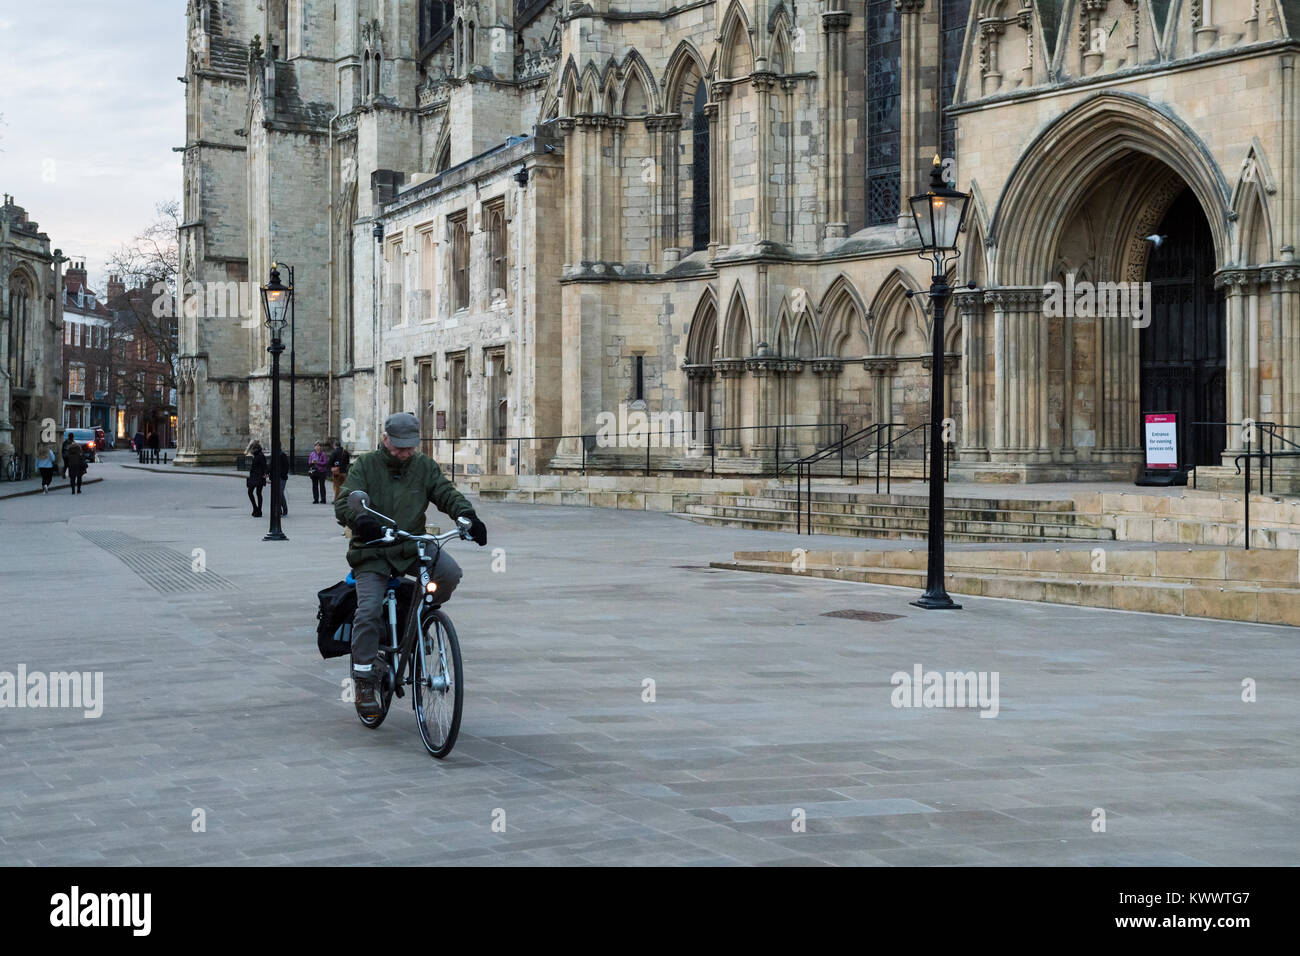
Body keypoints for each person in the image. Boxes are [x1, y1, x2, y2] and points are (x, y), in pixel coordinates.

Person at [335, 412, 488, 717]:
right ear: (385, 439)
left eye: (410, 447)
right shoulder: (366, 465)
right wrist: (362, 520)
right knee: (367, 610)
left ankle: (417, 621)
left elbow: (445, 493)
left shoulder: (423, 466)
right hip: (373, 550)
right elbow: (344, 502)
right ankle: (364, 679)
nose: (404, 452)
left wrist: (468, 516)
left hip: (411, 545)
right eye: (399, 447)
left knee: (449, 572)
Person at [246, 441, 268, 517]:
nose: (251, 451)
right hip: (256, 477)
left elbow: (264, 465)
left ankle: (258, 510)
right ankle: (256, 509)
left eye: (252, 449)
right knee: (254, 493)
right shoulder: (256, 455)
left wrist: (265, 473)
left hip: (258, 477)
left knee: (256, 493)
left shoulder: (260, 455)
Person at [277, 448, 290, 515]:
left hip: (282, 477)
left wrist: (283, 474)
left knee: (280, 493)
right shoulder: (275, 454)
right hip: (276, 477)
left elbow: (286, 466)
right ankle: (282, 510)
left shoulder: (282, 454)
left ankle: (282, 510)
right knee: (279, 493)